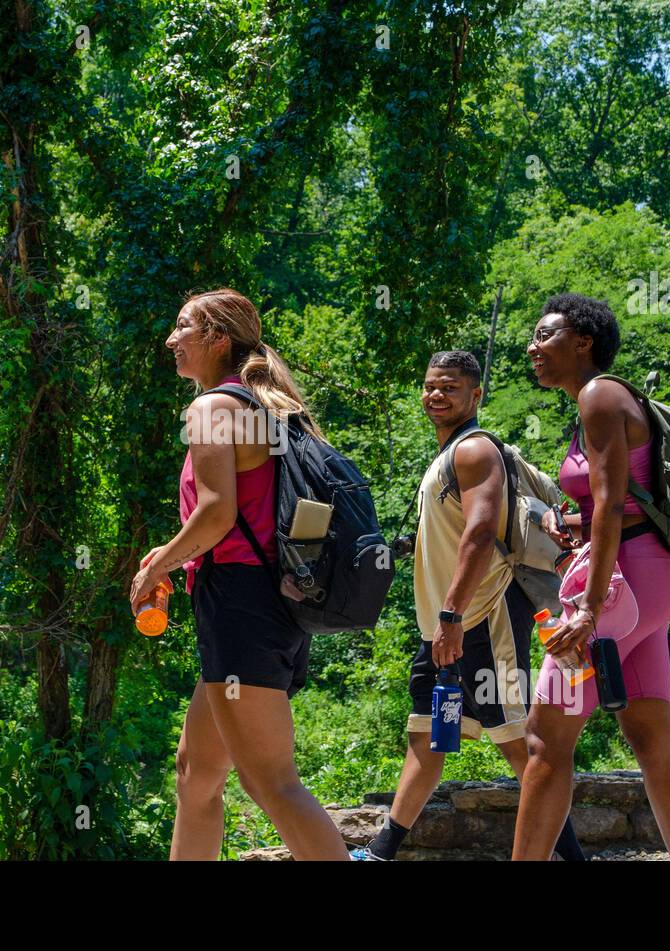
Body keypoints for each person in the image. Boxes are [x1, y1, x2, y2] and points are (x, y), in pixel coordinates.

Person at [128, 288, 349, 861]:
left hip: (240, 605)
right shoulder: (262, 407)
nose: (171, 339)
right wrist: (179, 551)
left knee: (272, 782)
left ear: (217, 339)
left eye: (183, 328)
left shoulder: (213, 409)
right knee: (196, 773)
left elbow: (217, 512)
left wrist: (161, 562)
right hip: (266, 601)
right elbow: (232, 514)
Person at [353, 351, 584, 862]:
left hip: (483, 616)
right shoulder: (447, 456)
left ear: (475, 396)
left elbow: (480, 535)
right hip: (442, 628)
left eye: (451, 388)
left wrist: (453, 615)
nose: (437, 395)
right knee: (429, 734)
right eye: (431, 386)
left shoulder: (475, 451)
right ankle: (380, 853)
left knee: (525, 752)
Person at [513, 293, 670, 861]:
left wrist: (588, 609)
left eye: (545, 335)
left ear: (583, 342)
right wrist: (569, 521)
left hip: (619, 592)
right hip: (653, 583)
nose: (534, 347)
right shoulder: (605, 400)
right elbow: (619, 507)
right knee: (653, 742)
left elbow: (610, 503)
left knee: (545, 740)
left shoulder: (600, 394)